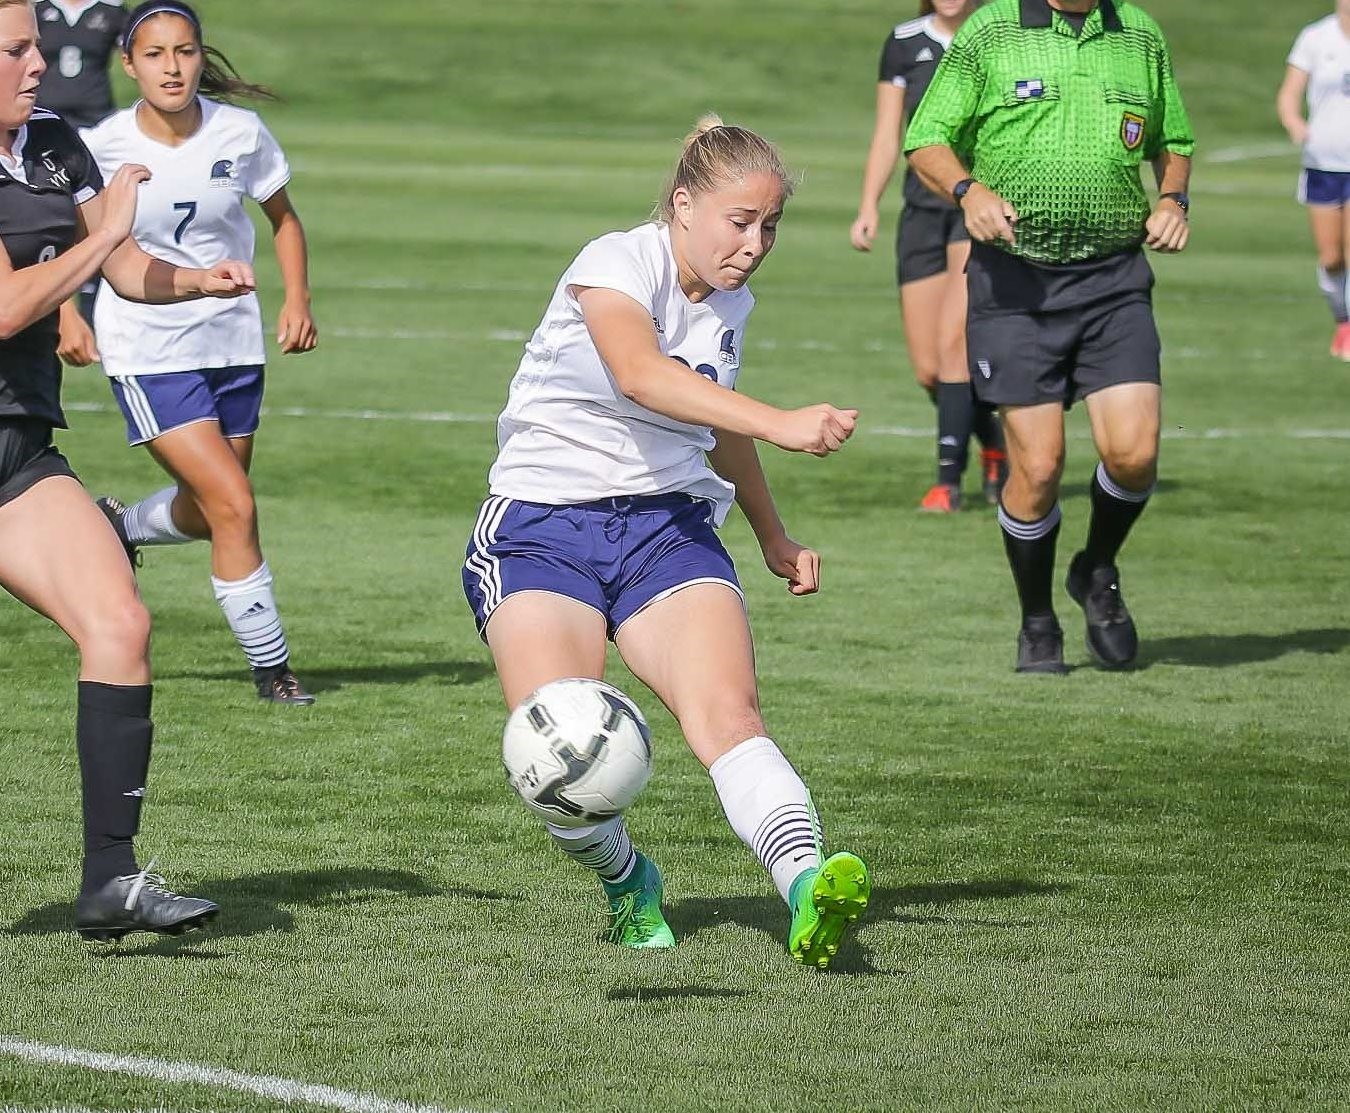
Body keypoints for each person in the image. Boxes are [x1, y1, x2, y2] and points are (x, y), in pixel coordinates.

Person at [462, 116, 872, 969]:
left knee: (729, 713)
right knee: (555, 747)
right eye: (740, 221)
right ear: (683, 206)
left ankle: (806, 886)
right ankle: (627, 880)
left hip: (666, 529)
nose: (756, 244)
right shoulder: (616, 262)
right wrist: (788, 423)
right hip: (543, 525)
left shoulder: (730, 302)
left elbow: (712, 420)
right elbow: (643, 376)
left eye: (770, 226)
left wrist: (773, 534)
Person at [0, 0, 254, 937]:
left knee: (119, 621)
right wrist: (103, 234)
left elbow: (123, 264)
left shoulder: (53, 143)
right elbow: (7, 303)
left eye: (37, 44)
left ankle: (109, 879)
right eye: (17, 50)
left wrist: (192, 278)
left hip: (16, 454)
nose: (43, 63)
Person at [905, 0, 1194, 673]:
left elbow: (1173, 139)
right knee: (1037, 468)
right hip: (1014, 285)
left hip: (1113, 279)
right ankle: (1037, 617)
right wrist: (969, 189)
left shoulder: (1140, 35)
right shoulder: (991, 29)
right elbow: (926, 139)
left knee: (1135, 453)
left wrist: (1174, 198)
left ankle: (1096, 568)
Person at [62, 0, 318, 706]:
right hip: (145, 346)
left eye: (184, 52)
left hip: (232, 342)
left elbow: (284, 220)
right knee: (234, 502)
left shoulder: (241, 131)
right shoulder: (104, 144)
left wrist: (297, 299)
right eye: (154, 55)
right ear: (128, 63)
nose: (171, 68)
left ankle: (117, 524)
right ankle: (274, 671)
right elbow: (66, 240)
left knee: (211, 509)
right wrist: (66, 314)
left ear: (201, 56)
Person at [850, 0, 1006, 513]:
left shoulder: (994, 36)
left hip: (973, 208)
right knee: (928, 369)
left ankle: (947, 482)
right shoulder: (903, 43)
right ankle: (997, 446)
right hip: (919, 212)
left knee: (953, 343)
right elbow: (886, 135)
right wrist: (868, 205)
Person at [35, 1, 127, 319]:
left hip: (96, 124)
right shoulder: (39, 8)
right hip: (44, 128)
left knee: (96, 213)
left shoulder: (112, 10)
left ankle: (94, 292)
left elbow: (139, 49)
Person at [1277, 1, 1350, 361]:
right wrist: (1295, 122)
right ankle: (1342, 319)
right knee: (1332, 257)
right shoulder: (1316, 37)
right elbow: (1289, 94)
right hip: (1322, 164)